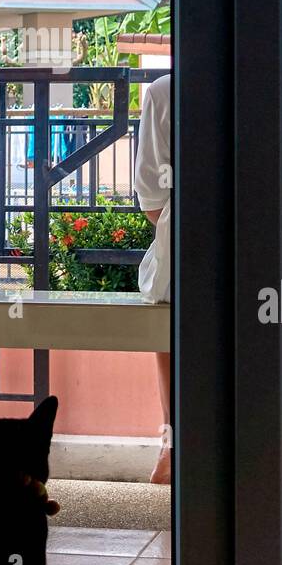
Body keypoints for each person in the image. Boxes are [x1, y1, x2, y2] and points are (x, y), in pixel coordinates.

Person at [134, 73, 171, 484]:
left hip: (184, 245)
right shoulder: (268, 80)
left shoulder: (165, 91)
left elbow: (150, 192)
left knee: (170, 330)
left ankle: (172, 444)